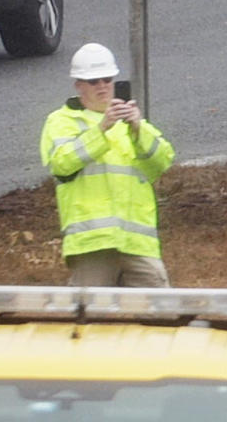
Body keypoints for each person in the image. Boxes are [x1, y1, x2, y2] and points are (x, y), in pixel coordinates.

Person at [38, 43, 171, 288]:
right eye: (93, 81)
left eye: (107, 79)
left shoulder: (130, 120)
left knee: (161, 316)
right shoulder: (62, 121)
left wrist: (138, 128)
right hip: (92, 244)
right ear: (79, 85)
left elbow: (162, 161)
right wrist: (101, 129)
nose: (102, 86)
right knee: (90, 319)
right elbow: (61, 163)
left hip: (137, 244)